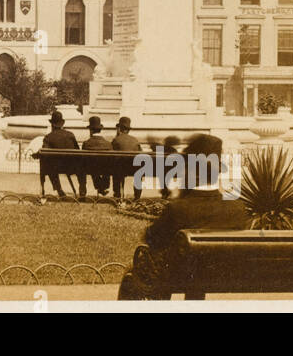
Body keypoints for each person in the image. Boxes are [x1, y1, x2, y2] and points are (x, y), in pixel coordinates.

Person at [120, 134, 251, 300]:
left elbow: (152, 238)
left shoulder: (179, 209)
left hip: (179, 276)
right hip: (225, 276)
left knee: (138, 270)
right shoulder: (237, 209)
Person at [39, 110, 81, 199]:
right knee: (51, 164)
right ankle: (81, 192)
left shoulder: (48, 137)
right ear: (62, 124)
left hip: (56, 168)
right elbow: (77, 150)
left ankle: (59, 190)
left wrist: (36, 155)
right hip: (72, 166)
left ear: (52, 124)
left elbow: (44, 152)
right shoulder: (70, 135)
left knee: (48, 164)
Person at [110, 117, 144, 200]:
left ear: (119, 128)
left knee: (116, 167)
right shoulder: (135, 140)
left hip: (120, 169)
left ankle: (118, 194)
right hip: (134, 169)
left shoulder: (116, 140)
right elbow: (141, 153)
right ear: (128, 130)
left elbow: (111, 155)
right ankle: (137, 196)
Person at [80, 115, 113, 197]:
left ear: (90, 130)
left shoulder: (86, 143)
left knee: (91, 165)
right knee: (106, 166)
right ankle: (103, 187)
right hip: (106, 169)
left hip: (90, 169)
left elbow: (83, 159)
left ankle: (98, 188)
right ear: (100, 130)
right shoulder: (108, 144)